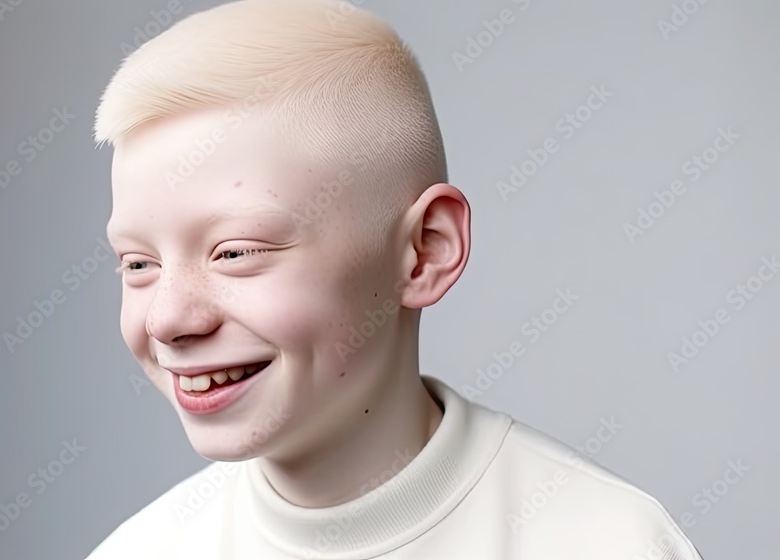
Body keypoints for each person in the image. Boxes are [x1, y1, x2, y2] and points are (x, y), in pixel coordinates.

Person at [87, 0, 703, 557]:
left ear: (425, 252)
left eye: (236, 252)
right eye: (138, 264)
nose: (167, 319)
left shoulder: (613, 544)